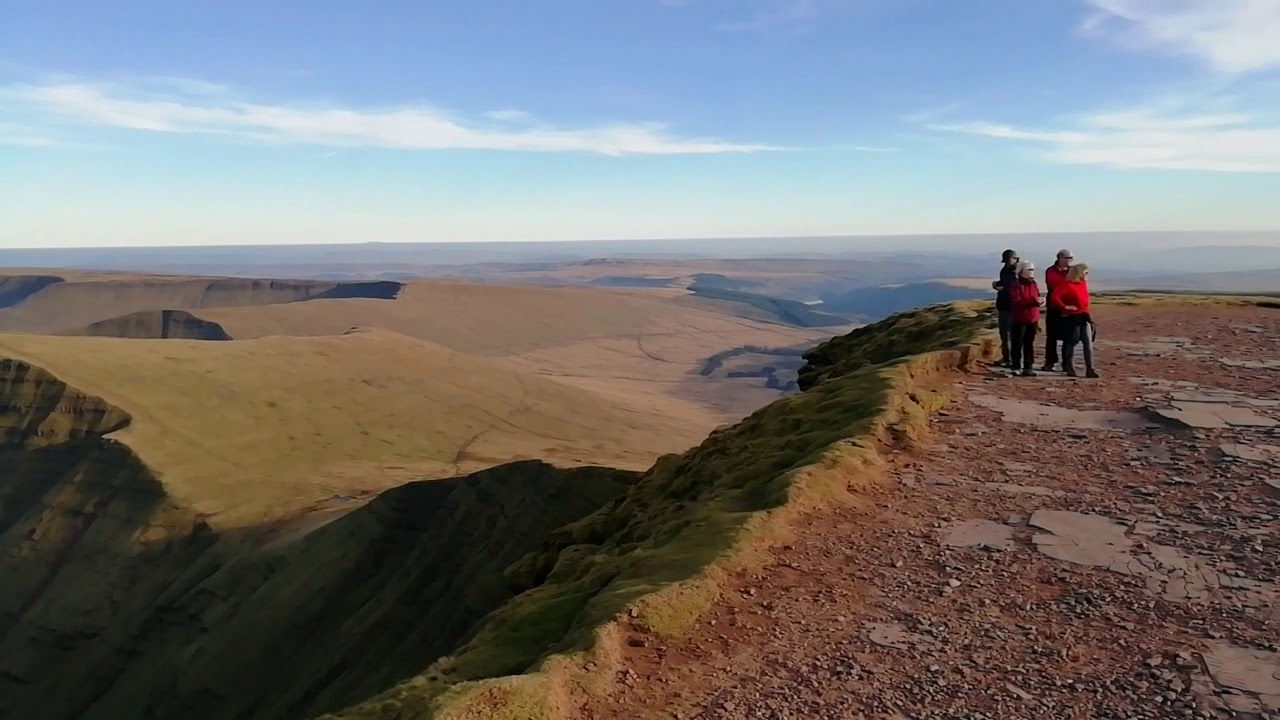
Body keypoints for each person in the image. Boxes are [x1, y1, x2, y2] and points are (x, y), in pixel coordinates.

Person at [1049, 262, 1099, 378]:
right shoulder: (1068, 285)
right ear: (1080, 273)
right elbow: (1054, 297)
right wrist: (1064, 307)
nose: (1087, 275)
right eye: (1086, 272)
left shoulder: (1083, 284)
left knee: (1088, 343)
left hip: (1084, 316)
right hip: (1072, 317)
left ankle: (1090, 369)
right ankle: (1070, 368)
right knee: (1072, 342)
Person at [1041, 248, 1074, 371]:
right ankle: (1050, 362)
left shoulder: (1073, 271)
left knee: (1069, 337)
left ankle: (1067, 363)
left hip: (1069, 308)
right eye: (1067, 258)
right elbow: (1055, 286)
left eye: (1071, 258)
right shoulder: (1051, 271)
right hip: (1054, 307)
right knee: (1052, 336)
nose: (1069, 261)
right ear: (1059, 258)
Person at [1008, 260, 1042, 377]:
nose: (1032, 272)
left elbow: (1036, 296)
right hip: (1020, 318)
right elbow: (1016, 300)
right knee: (1017, 342)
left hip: (1033, 318)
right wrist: (1033, 301)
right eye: (1029, 269)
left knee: (1029, 343)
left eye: (1033, 269)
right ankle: (1016, 366)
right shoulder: (1016, 285)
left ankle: (1028, 366)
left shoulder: (1034, 284)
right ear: (1022, 271)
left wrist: (1039, 302)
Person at [991, 249, 1019, 367]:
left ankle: (1012, 359)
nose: (1008, 263)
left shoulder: (1017, 272)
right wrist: (997, 284)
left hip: (1012, 306)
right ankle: (1007, 357)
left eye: (1010, 260)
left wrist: (1003, 288)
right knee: (1004, 334)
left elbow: (1016, 288)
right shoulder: (1005, 270)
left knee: (1011, 334)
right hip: (1003, 305)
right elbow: (1005, 283)